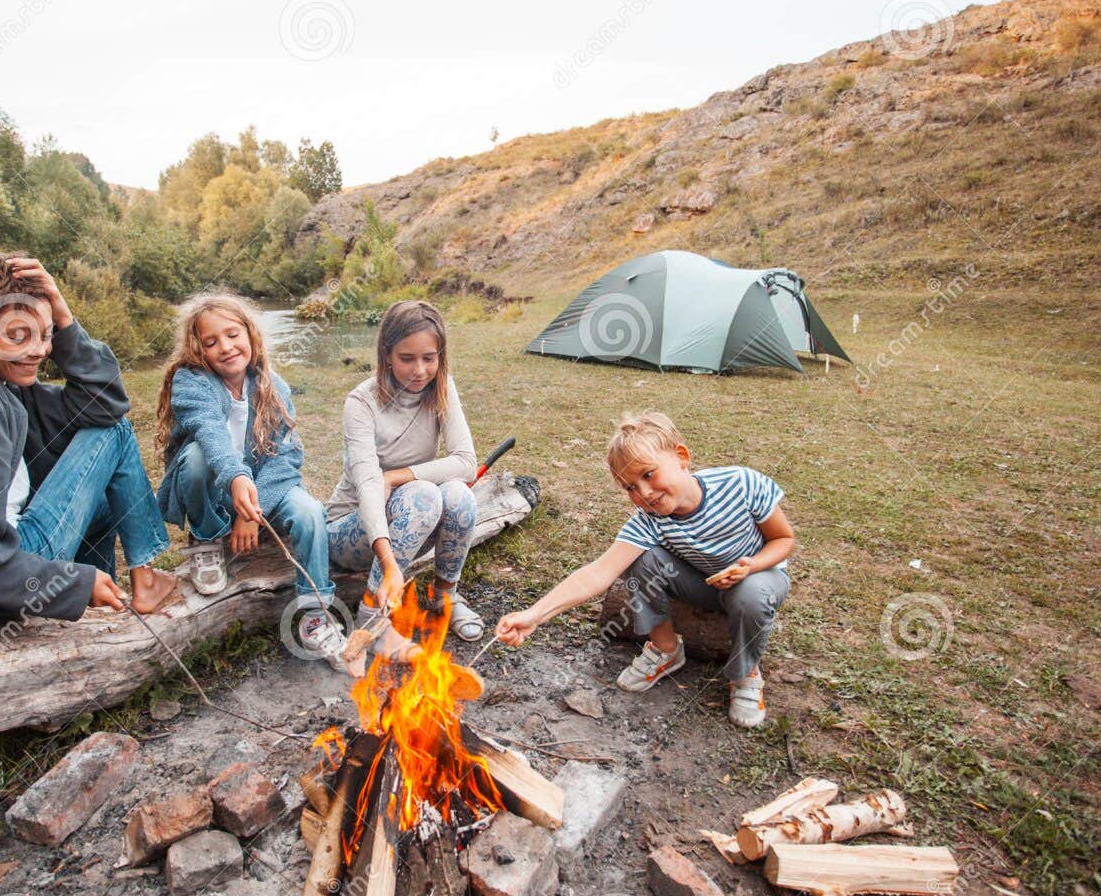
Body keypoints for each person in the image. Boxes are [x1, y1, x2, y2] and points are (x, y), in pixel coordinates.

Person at [0, 254, 176, 701]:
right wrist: (71, 583)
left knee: (99, 497)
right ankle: (142, 576)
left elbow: (104, 400)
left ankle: (104, 602)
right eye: (18, 335)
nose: (40, 350)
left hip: (6, 558)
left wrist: (61, 310)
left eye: (45, 335)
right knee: (115, 435)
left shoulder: (0, 387)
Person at [494, 411, 794, 727]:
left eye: (648, 475)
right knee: (640, 557)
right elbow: (597, 573)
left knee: (751, 595)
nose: (644, 494)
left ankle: (745, 675)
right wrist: (534, 615)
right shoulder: (649, 521)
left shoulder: (740, 484)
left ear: (681, 457)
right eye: (630, 488)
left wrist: (752, 565)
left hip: (761, 577)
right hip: (703, 583)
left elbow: (784, 539)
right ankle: (666, 649)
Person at [154, 294, 347, 668]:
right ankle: (207, 539)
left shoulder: (274, 386)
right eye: (211, 342)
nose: (225, 347)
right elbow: (211, 436)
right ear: (198, 350)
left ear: (250, 334)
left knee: (310, 512)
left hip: (260, 494)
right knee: (195, 457)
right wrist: (239, 479)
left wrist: (250, 514)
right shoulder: (190, 382)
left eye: (232, 334)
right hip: (214, 490)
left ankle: (316, 613)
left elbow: (285, 458)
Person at [327, 300, 482, 671]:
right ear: (386, 355)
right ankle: (371, 619)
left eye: (430, 358)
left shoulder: (442, 388)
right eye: (407, 358)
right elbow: (368, 486)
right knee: (426, 494)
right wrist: (387, 561)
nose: (420, 370)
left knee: (458, 494)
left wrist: (396, 476)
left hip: (413, 520)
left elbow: (466, 463)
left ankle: (445, 597)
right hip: (351, 530)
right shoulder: (361, 402)